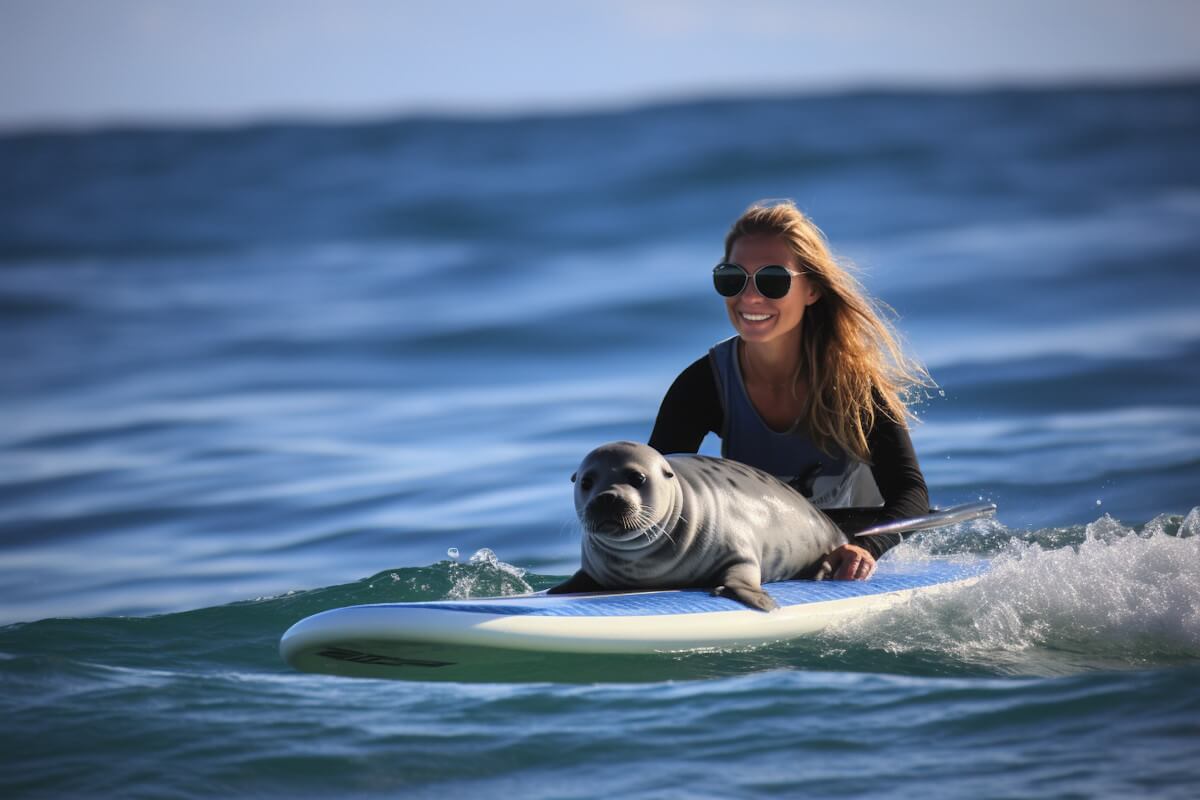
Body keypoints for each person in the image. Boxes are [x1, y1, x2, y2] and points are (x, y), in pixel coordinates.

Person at [648, 200, 931, 581]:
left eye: (773, 280)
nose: (749, 297)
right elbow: (655, 490)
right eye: (733, 278)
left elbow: (911, 493)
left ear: (812, 289)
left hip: (851, 555)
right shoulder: (703, 385)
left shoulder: (851, 383)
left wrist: (867, 549)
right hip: (765, 557)